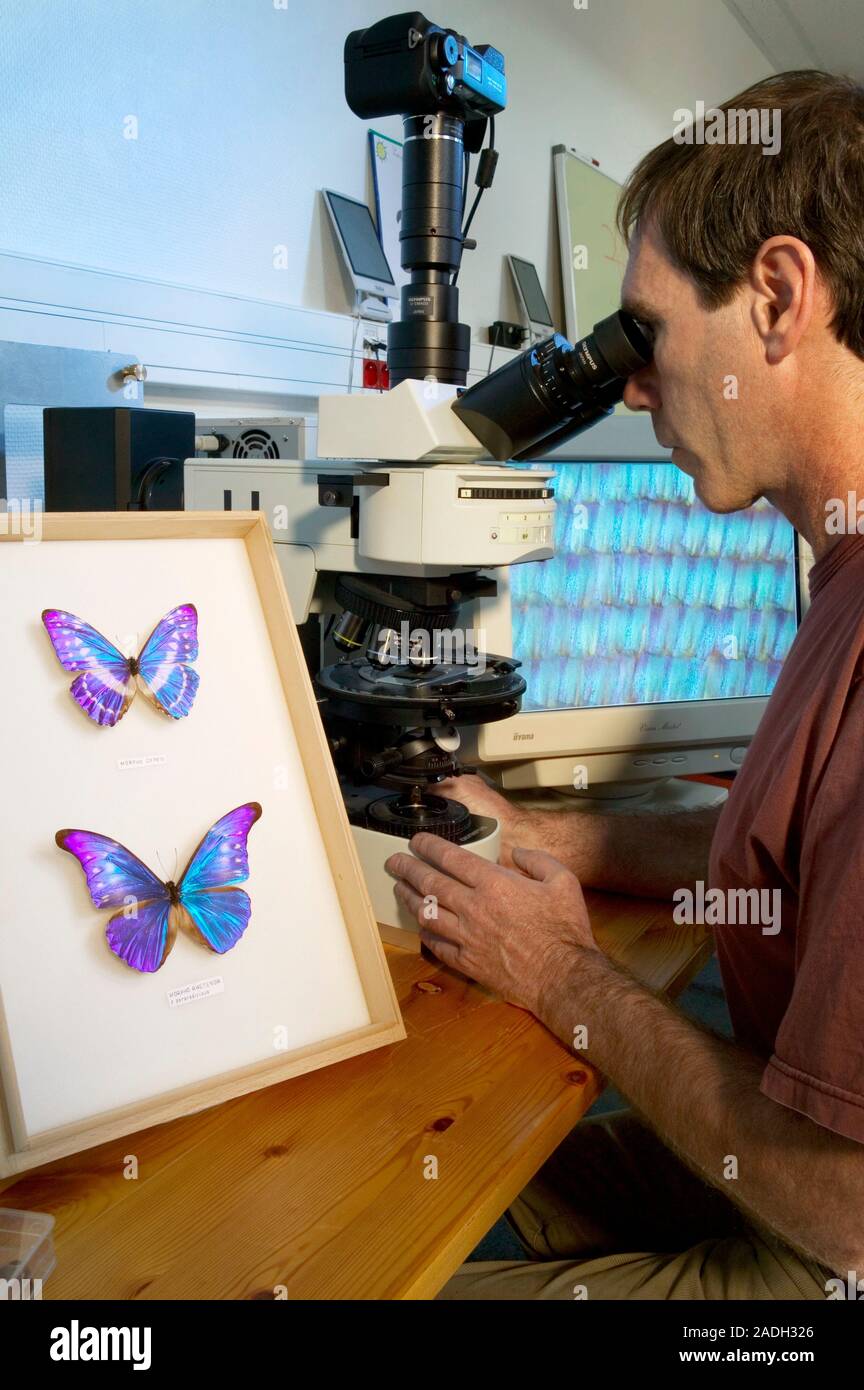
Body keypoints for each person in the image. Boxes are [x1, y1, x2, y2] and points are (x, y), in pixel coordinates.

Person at [384, 69, 864, 1300]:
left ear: (777, 296)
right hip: (788, 1167)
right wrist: (554, 836)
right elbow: (788, 862)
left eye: (646, 333)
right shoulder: (843, 570)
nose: (636, 387)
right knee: (425, 1190)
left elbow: (847, 1204)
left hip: (827, 1242)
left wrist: (558, 973)